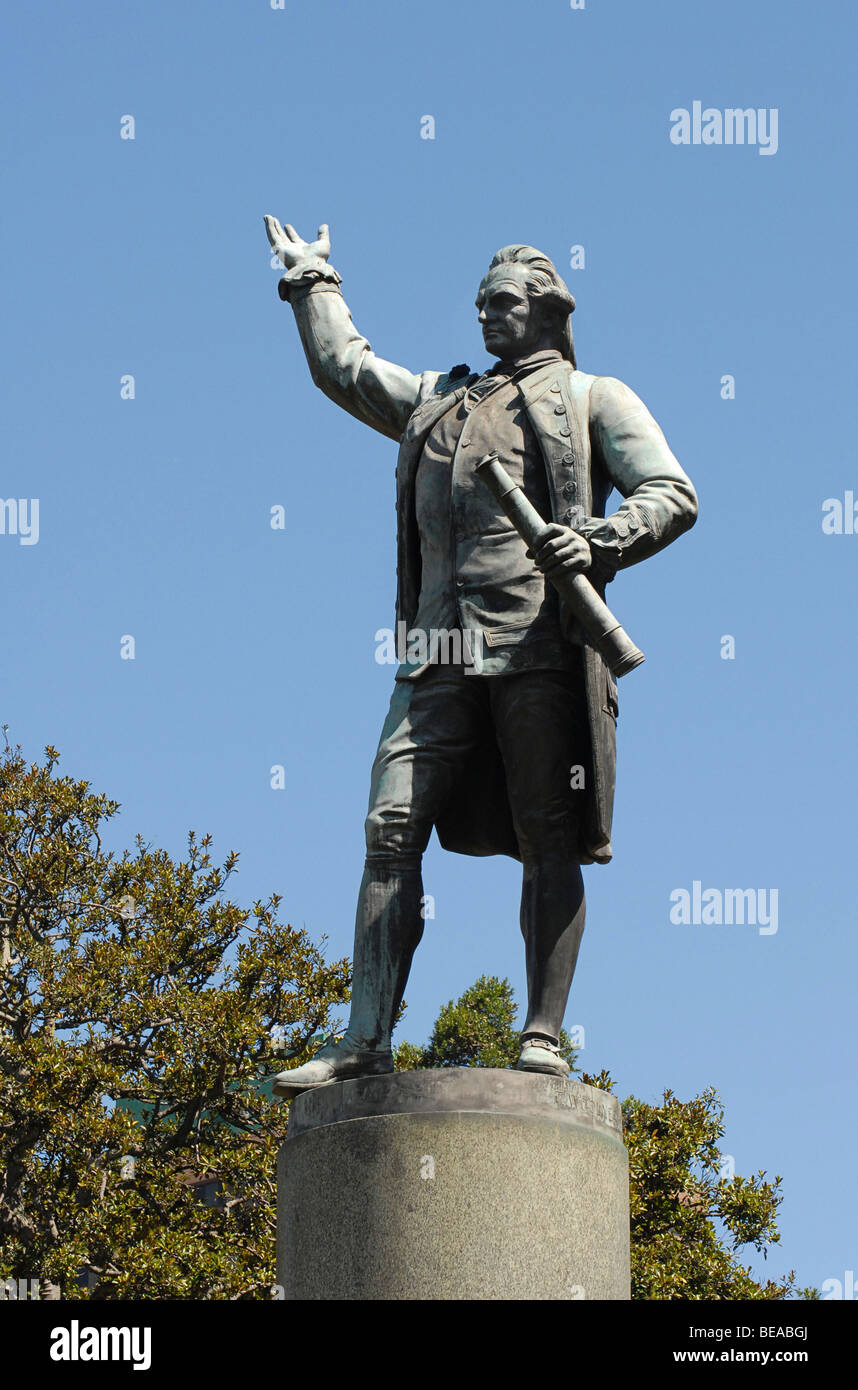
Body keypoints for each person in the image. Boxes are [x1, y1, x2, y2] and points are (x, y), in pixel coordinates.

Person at [263, 219, 697, 1094]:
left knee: (550, 833)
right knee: (390, 828)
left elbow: (672, 493)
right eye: (479, 306)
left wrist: (605, 538)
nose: (484, 319)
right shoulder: (438, 400)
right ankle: (365, 1038)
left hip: (538, 640)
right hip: (435, 649)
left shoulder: (592, 398)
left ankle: (542, 1033)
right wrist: (314, 282)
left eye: (501, 304)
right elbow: (347, 369)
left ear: (545, 311)